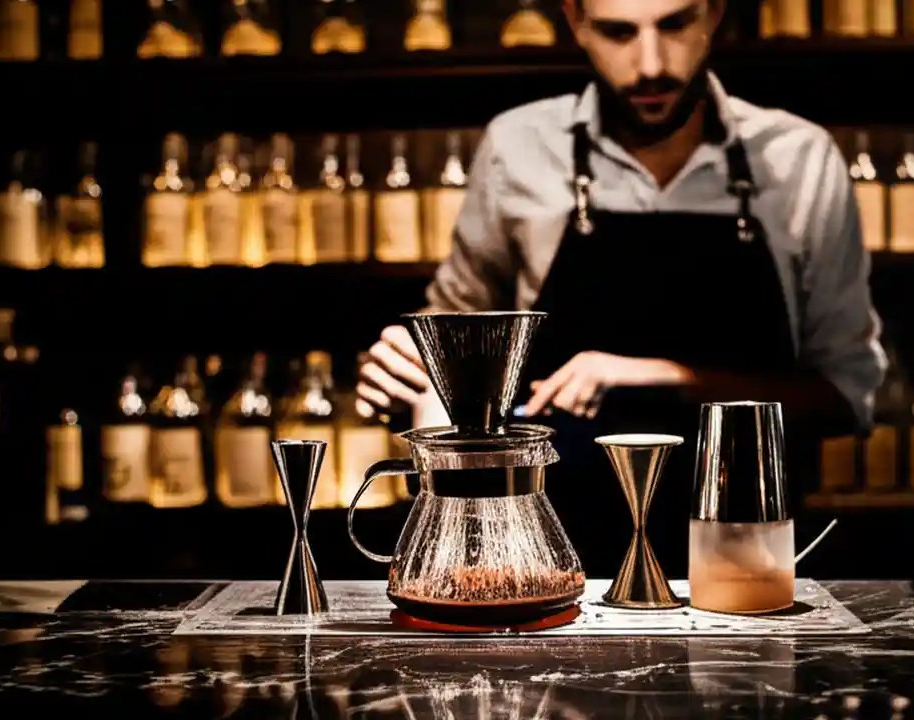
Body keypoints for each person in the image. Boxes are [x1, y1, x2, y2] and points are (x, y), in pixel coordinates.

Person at [353, 0, 886, 578]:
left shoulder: (798, 159)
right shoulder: (519, 147)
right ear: (575, 21)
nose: (649, 65)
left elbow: (842, 400)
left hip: (747, 567)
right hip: (547, 568)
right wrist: (408, 366)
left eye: (676, 24)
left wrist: (661, 375)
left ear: (714, 14)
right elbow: (453, 354)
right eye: (618, 32)